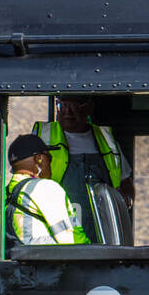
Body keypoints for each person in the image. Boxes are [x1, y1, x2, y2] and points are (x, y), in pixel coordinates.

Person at [33, 97, 133, 243]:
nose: (67, 111)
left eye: (75, 104)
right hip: (58, 231)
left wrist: (125, 202)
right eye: (62, 105)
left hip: (103, 232)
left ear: (89, 108)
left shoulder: (107, 140)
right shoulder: (42, 137)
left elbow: (126, 183)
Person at [5, 133, 89, 245]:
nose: (50, 164)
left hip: (20, 258)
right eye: (49, 158)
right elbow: (70, 239)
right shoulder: (44, 188)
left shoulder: (7, 192)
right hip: (45, 260)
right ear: (39, 159)